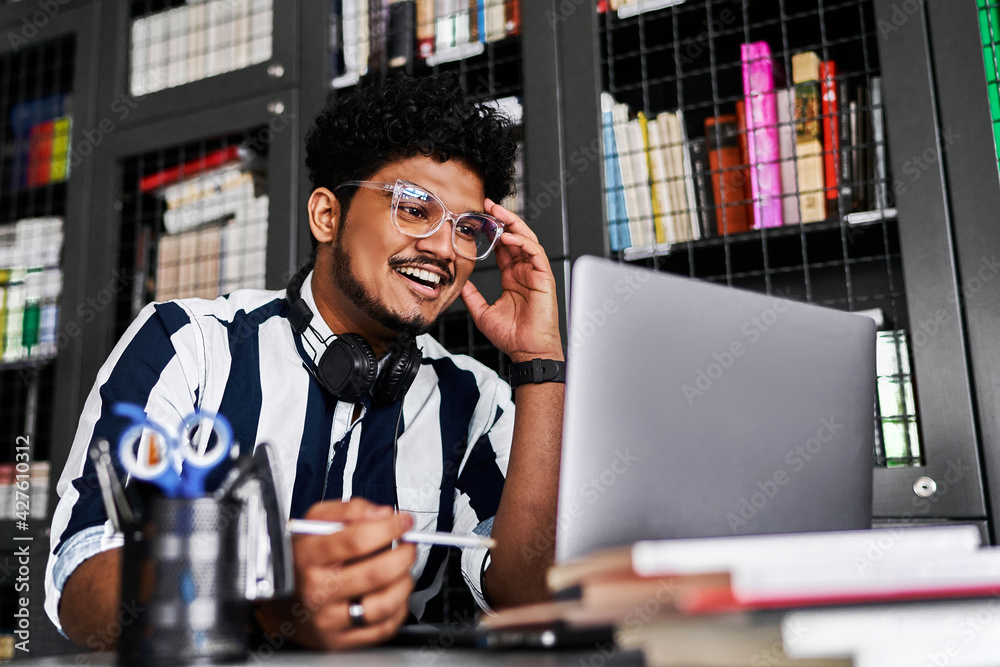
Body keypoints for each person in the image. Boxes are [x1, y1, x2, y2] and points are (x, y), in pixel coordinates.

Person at [44, 73, 565, 650]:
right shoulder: (188, 345)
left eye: (467, 229)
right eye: (415, 209)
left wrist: (538, 360)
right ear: (327, 216)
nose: (445, 248)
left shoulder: (474, 400)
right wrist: (263, 592)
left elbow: (527, 597)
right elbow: (79, 583)